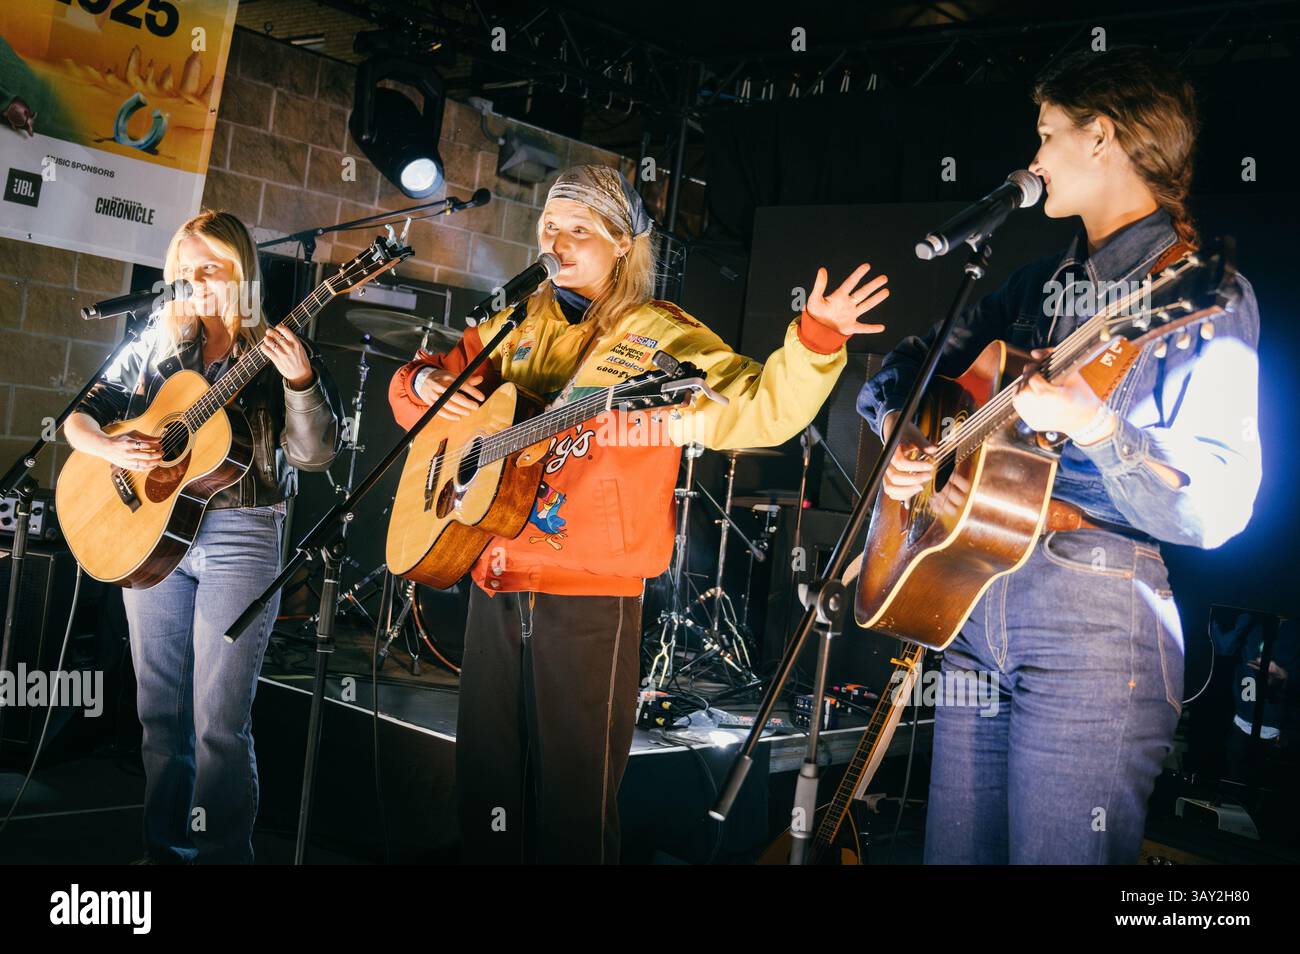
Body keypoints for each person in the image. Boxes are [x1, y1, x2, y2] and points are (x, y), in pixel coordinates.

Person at [388, 163, 890, 863]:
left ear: (624, 242)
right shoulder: (512, 324)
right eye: (549, 228)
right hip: (492, 575)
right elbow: (417, 400)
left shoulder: (665, 336)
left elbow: (762, 409)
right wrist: (425, 379)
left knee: (574, 812)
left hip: (590, 595)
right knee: (488, 796)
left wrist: (814, 341)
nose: (556, 243)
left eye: (579, 231)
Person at [857, 47, 1262, 863]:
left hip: (1094, 615)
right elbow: (906, 370)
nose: (1032, 161)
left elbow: (1217, 506)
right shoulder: (1033, 285)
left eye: (1046, 136)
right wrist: (919, 444)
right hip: (971, 596)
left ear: (1102, 136)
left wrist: (1100, 429)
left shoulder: (1194, 292)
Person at [65, 210, 343, 863]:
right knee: (160, 713)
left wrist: (300, 381)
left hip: (243, 530)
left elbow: (315, 455)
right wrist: (111, 446)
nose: (198, 283)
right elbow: (82, 416)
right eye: (186, 271)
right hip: (155, 533)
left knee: (218, 721)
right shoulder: (156, 345)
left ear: (241, 271)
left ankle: (221, 856)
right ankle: (164, 852)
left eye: (212, 270)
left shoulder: (273, 348)